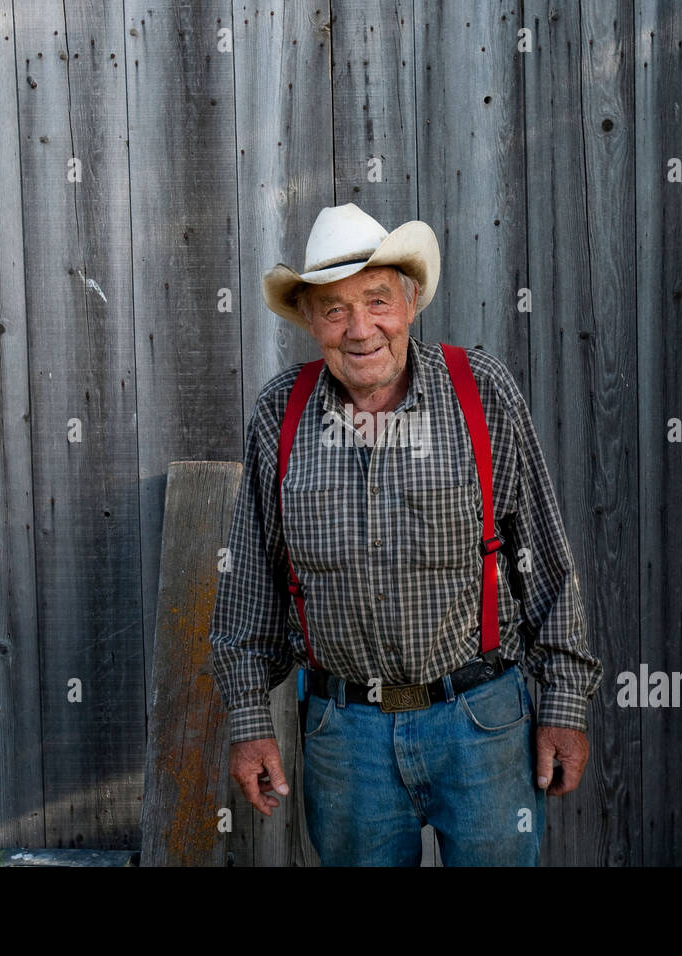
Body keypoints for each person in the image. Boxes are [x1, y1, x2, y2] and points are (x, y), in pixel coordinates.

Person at [208, 202, 602, 865]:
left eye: (378, 300)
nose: (361, 329)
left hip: (481, 723)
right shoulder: (281, 413)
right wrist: (249, 720)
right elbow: (250, 586)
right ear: (310, 320)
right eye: (335, 309)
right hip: (344, 736)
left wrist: (564, 702)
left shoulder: (482, 392)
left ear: (411, 301)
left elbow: (547, 568)